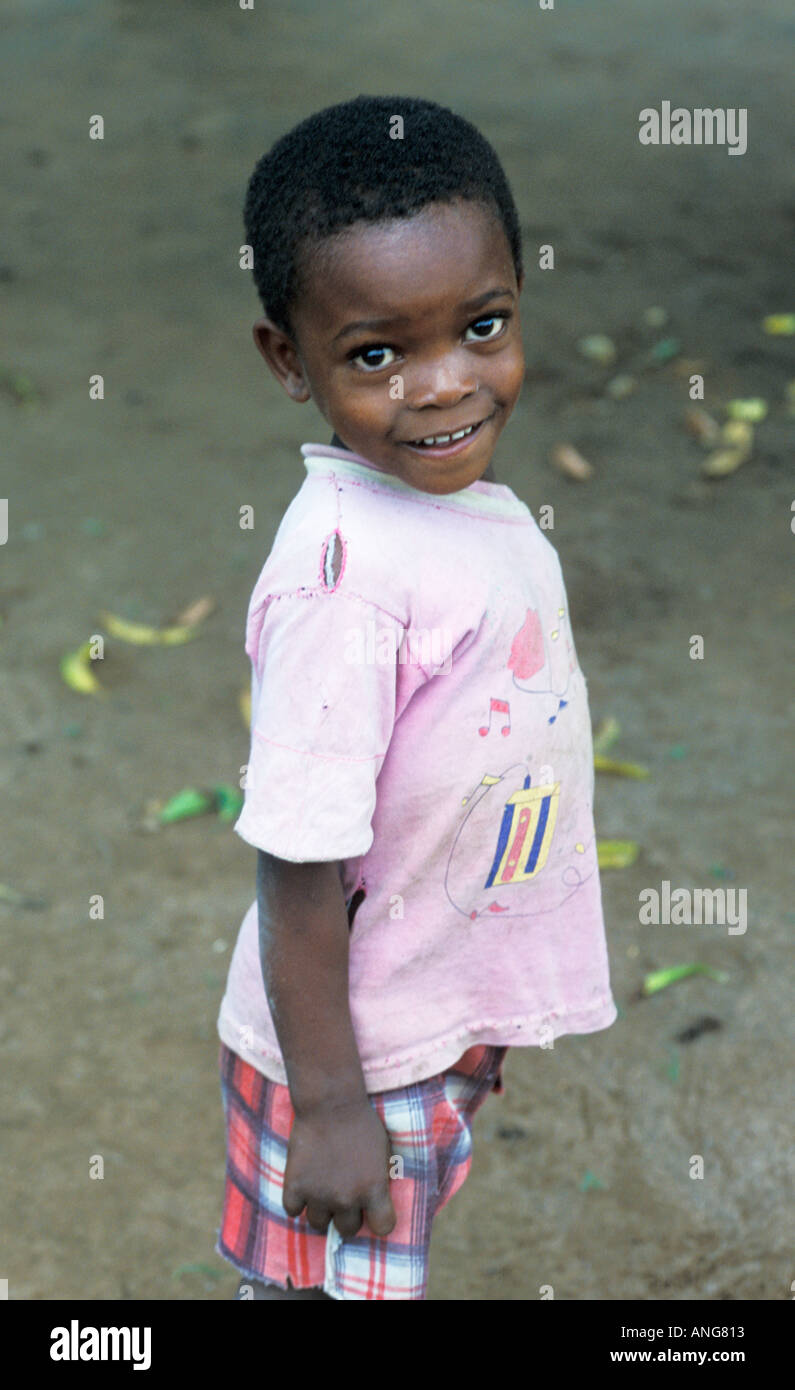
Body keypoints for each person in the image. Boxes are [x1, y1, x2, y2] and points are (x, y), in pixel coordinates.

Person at [215, 94, 617, 1301]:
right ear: (291, 359)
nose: (445, 385)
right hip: (351, 1063)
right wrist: (335, 1106)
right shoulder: (344, 581)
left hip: (416, 1025)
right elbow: (296, 867)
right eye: (378, 354)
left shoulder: (452, 507)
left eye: (481, 326)